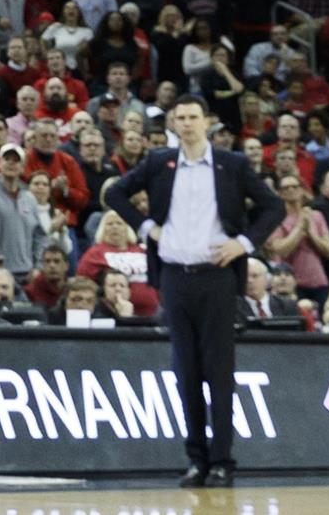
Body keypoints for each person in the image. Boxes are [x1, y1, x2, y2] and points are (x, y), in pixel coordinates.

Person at [99, 94, 282, 488]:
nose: (186, 123)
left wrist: (244, 245)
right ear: (172, 124)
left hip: (217, 277)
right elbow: (113, 193)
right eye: (179, 117)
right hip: (174, 279)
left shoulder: (231, 164)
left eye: (193, 117)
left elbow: (274, 207)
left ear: (206, 122)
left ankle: (222, 461)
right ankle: (196, 460)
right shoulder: (158, 162)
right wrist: (148, 228)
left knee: (219, 372)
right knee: (186, 373)